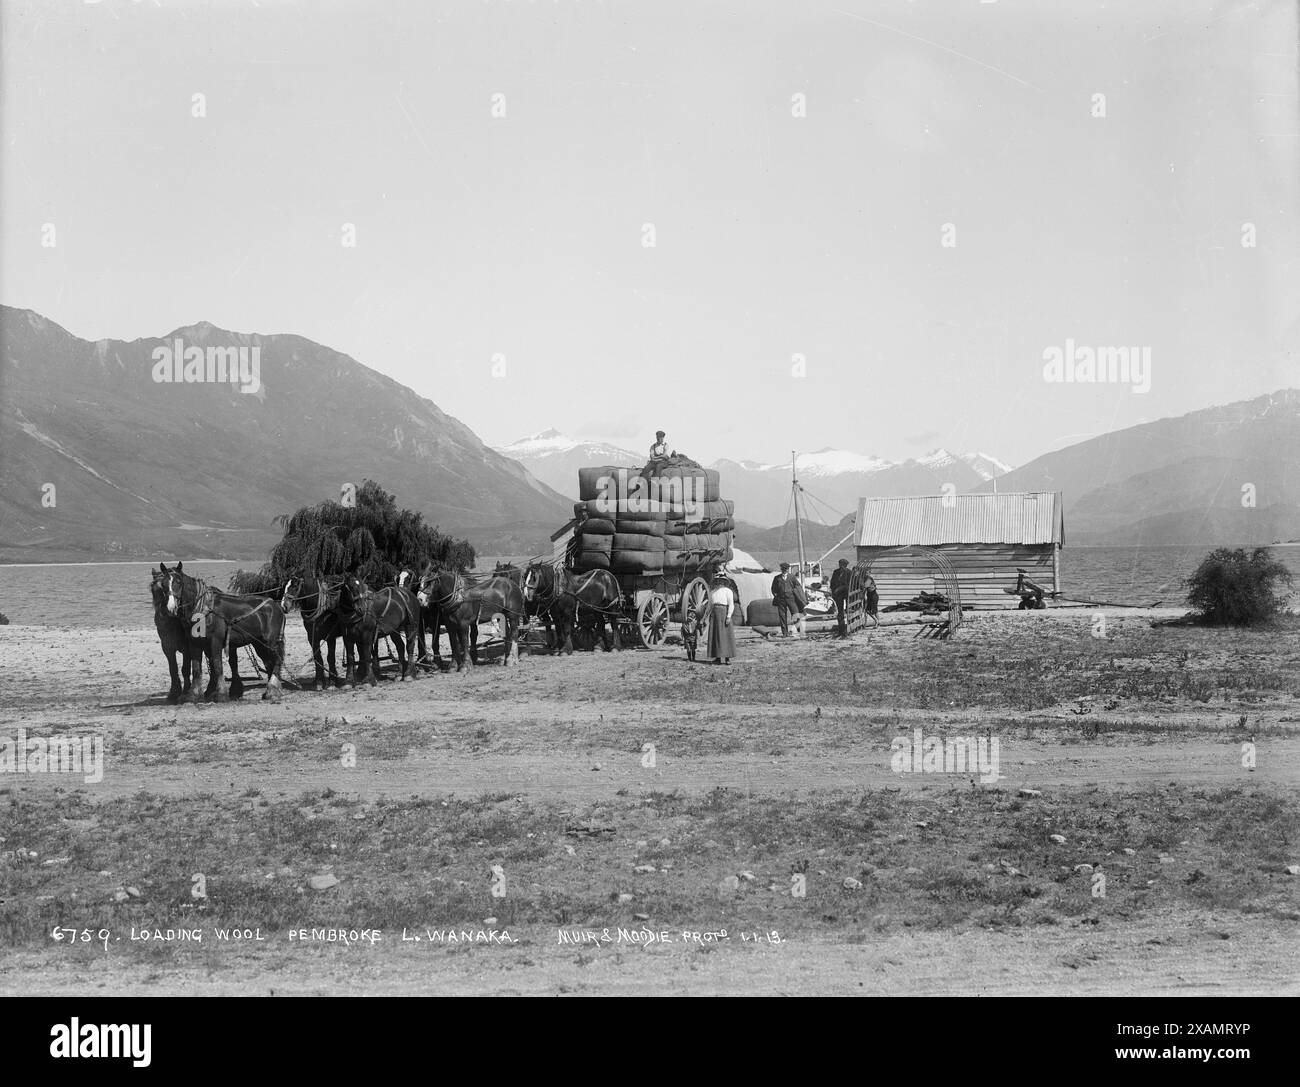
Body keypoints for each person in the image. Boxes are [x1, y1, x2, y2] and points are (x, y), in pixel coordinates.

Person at [706, 571, 737, 664]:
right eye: (718, 581)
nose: (720, 582)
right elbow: (710, 606)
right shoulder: (712, 592)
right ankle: (717, 657)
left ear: (724, 582)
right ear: (716, 581)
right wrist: (707, 616)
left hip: (724, 613)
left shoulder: (728, 591)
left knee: (725, 635)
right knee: (715, 635)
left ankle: (727, 658)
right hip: (714, 615)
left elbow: (731, 604)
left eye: (722, 581)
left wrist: (728, 616)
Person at [771, 562, 797, 637]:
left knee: (795, 614)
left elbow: (797, 587)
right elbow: (773, 589)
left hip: (791, 599)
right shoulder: (777, 578)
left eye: (786, 569)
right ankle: (785, 633)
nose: (785, 570)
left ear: (788, 569)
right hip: (781, 600)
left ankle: (798, 630)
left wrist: (796, 596)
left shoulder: (792, 577)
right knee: (782, 616)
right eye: (783, 569)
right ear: (781, 569)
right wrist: (776, 596)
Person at [830, 558, 852, 637]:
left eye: (842, 565)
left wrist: (839, 588)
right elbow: (832, 583)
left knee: (849, 611)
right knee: (840, 613)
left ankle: (848, 629)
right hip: (838, 596)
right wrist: (833, 591)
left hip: (846, 594)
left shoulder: (849, 573)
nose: (841, 566)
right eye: (840, 565)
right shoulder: (836, 572)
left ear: (845, 565)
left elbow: (849, 585)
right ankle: (841, 630)